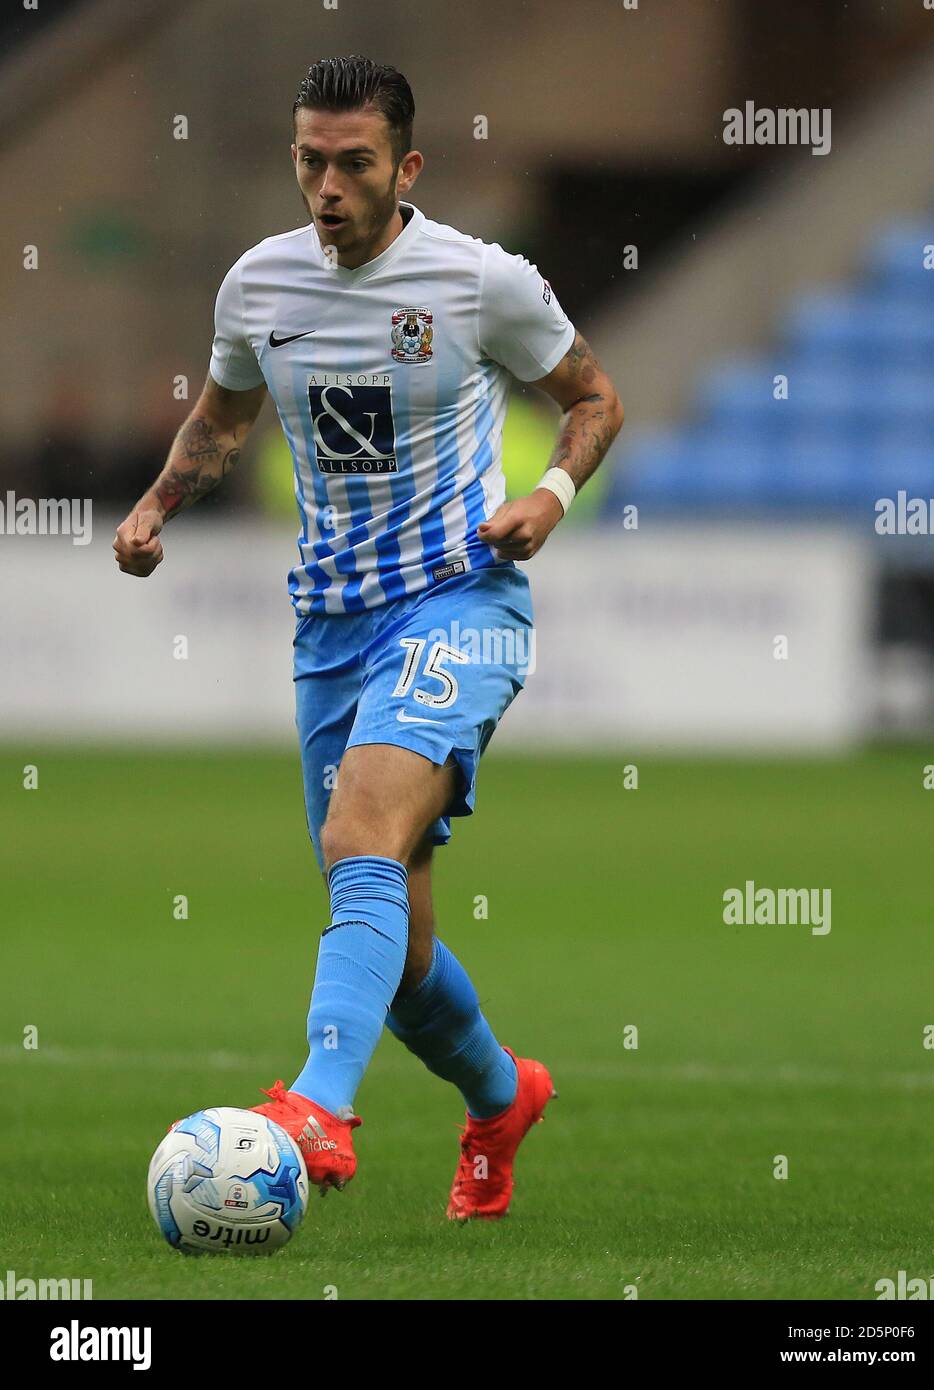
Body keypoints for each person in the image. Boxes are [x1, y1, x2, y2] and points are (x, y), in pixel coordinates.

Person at [113, 55, 624, 1221]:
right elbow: (225, 412)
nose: (328, 185)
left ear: (406, 166)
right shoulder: (258, 286)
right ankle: (501, 1099)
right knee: (392, 951)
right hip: (329, 630)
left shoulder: (479, 281)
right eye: (309, 160)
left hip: (461, 603)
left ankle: (318, 1109)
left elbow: (594, 398)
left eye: (353, 162)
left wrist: (545, 498)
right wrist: (156, 505)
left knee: (357, 837)